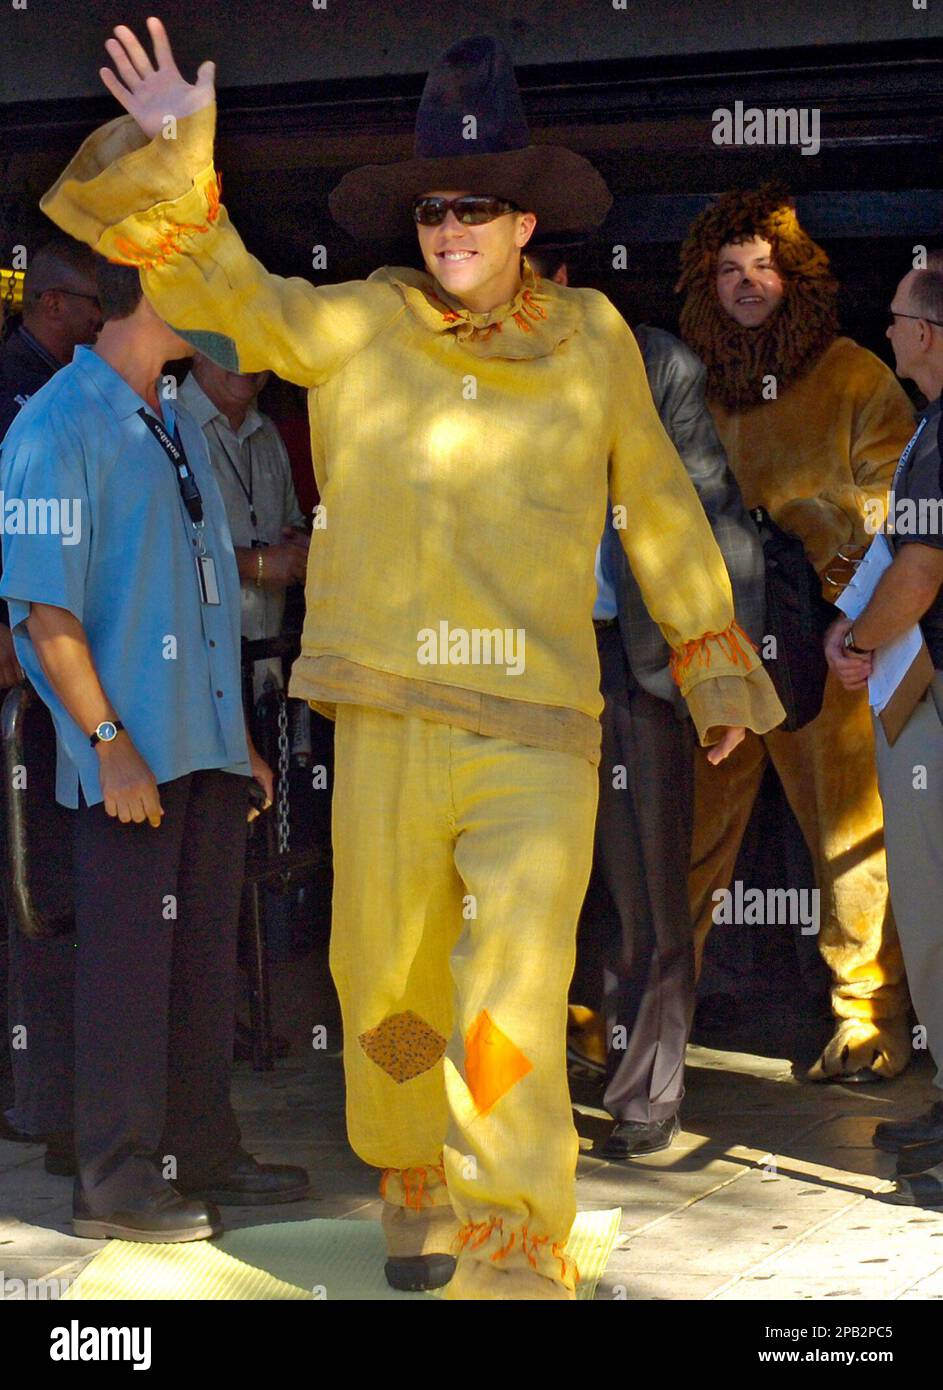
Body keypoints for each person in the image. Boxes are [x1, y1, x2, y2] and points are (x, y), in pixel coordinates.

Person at [43, 21, 783, 1298]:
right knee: (382, 988)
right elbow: (240, 305)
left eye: (479, 210)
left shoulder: (596, 336)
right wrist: (176, 160)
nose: (452, 232)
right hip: (383, 719)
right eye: (437, 208)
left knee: (507, 989)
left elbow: (658, 499)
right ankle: (415, 1183)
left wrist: (710, 657)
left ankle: (510, 1232)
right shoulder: (364, 320)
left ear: (524, 222)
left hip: (537, 730)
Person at [0, 254, 308, 1241]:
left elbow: (205, 595)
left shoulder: (172, 416)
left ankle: (200, 1152)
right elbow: (43, 609)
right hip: (126, 760)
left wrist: (238, 746)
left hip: (203, 753)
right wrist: (107, 741)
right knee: (127, 978)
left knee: (198, 972)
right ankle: (115, 1181)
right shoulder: (54, 422)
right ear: (153, 291)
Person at [528, 247, 766, 1158]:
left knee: (650, 897)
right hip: (514, 661)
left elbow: (717, 518)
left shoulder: (654, 363)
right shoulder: (461, 367)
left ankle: (645, 1097)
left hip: (628, 659)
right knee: (516, 894)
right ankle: (519, 1094)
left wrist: (722, 679)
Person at [677, 186, 916, 1082]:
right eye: (730, 270)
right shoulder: (687, 378)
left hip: (826, 638)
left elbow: (899, 506)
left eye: (763, 266)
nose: (748, 283)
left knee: (851, 836)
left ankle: (867, 1020)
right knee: (686, 839)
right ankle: (647, 1017)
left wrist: (812, 526)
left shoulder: (853, 372)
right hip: (711, 649)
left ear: (796, 275)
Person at [826, 253, 943, 1203]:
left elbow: (918, 574)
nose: (890, 327)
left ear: (928, 334)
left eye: (900, 314)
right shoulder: (931, 429)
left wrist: (857, 641)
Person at [0, 235, 102, 1171]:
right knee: (36, 892)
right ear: (58, 307)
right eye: (95, 309)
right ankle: (41, 1101)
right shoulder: (31, 397)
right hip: (23, 665)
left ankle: (45, 1098)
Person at [178, 355, 309, 699]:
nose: (247, 357)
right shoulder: (165, 425)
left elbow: (290, 525)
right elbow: (157, 554)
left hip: (266, 679)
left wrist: (303, 550)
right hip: (190, 688)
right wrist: (259, 564)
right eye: (229, 343)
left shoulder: (267, 433)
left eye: (257, 342)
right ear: (194, 347)